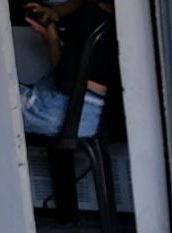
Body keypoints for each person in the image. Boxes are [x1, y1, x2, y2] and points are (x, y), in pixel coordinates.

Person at [20, 0, 115, 138]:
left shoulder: (90, 16)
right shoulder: (111, 21)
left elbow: (65, 82)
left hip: (55, 114)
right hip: (92, 122)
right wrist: (55, 14)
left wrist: (52, 42)